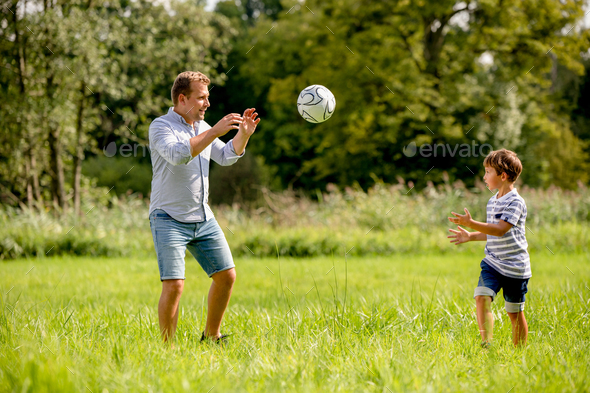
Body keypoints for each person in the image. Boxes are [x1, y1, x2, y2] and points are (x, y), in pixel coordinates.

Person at [148, 71, 260, 344]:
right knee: (174, 285)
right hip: (168, 216)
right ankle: (167, 350)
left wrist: (242, 136)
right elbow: (177, 155)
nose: (207, 103)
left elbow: (224, 156)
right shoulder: (161, 126)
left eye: (208, 97)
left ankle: (212, 337)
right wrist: (214, 131)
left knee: (226, 276)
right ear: (183, 98)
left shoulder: (203, 127)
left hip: (202, 216)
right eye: (201, 98)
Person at [447, 149, 530, 348]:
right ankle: (486, 344)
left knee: (514, 312)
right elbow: (491, 231)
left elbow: (500, 230)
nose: (484, 177)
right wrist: (470, 236)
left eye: (487, 172)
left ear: (503, 175)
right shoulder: (492, 201)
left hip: (515, 267)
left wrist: (471, 223)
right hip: (492, 263)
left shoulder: (516, 202)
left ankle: (519, 352)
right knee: (481, 297)